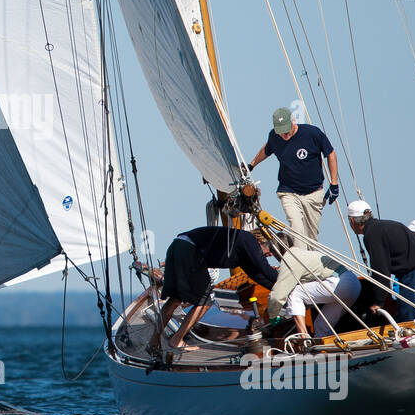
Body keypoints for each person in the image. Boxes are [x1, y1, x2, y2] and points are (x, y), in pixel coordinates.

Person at [151, 226, 278, 356]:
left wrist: (280, 288)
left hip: (179, 245)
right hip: (190, 251)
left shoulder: (241, 245)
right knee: (205, 301)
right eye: (271, 249)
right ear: (260, 242)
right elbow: (265, 269)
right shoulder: (249, 240)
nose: (271, 254)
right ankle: (177, 340)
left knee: (175, 299)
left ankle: (153, 342)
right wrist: (291, 283)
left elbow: (258, 275)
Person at [246, 108, 339, 247]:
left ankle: (311, 265)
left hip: (313, 192)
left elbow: (330, 154)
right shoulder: (274, 136)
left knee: (311, 236)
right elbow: (267, 149)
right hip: (288, 191)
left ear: (293, 122)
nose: (284, 135)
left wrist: (334, 183)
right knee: (296, 227)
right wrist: (251, 165)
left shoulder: (312, 133)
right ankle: (300, 260)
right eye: (280, 131)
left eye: (286, 130)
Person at [346, 201, 415, 323]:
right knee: (412, 317)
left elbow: (381, 270)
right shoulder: (384, 226)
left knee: (408, 321)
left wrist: (379, 302)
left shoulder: (372, 234)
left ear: (352, 221)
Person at [265, 244, 362, 339]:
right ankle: (326, 351)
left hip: (339, 284)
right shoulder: (301, 254)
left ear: (276, 252)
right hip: (353, 283)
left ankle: (304, 339)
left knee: (295, 293)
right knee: (321, 327)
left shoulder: (290, 258)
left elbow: (278, 294)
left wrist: (273, 316)